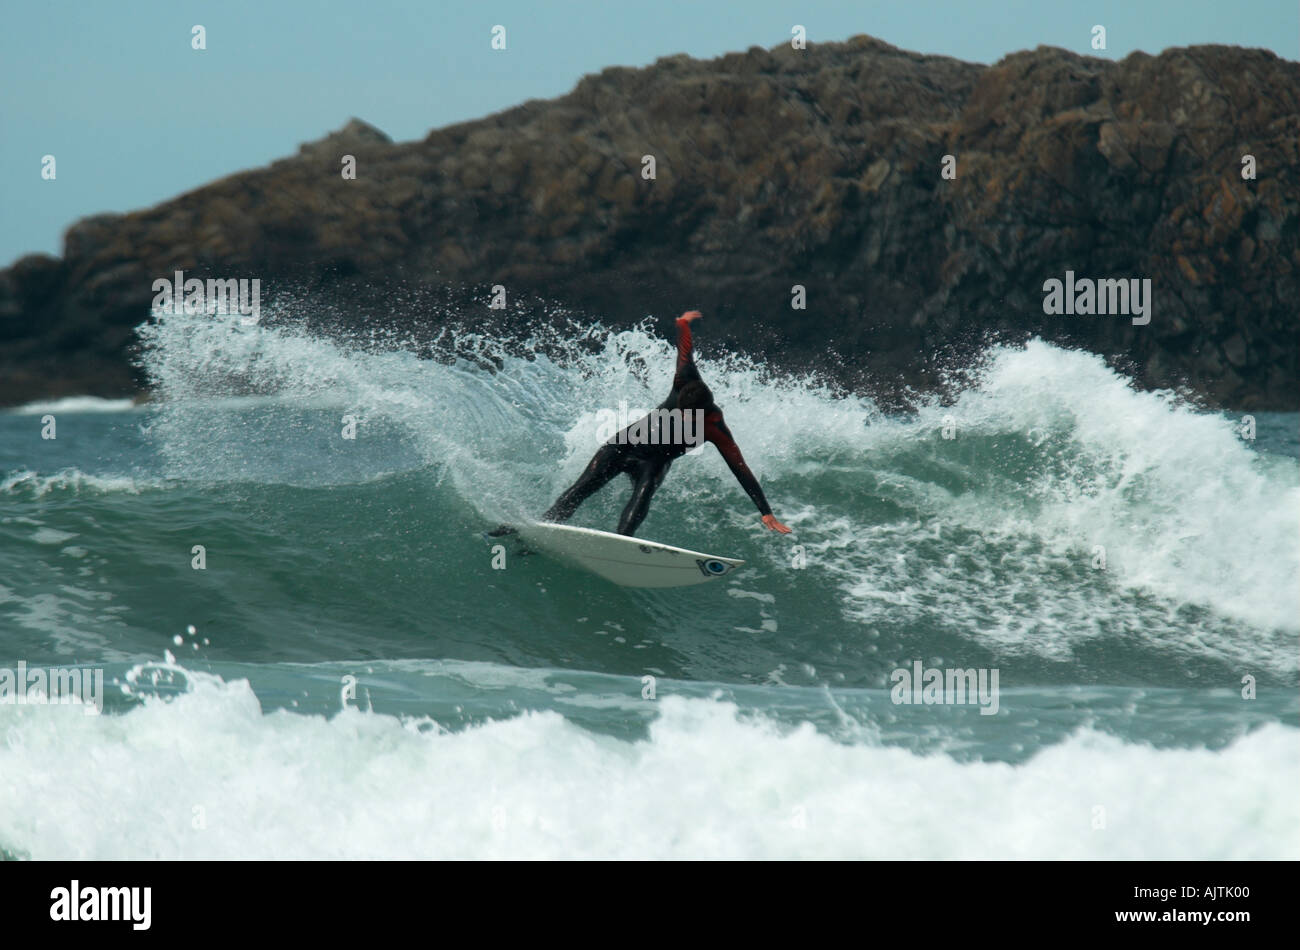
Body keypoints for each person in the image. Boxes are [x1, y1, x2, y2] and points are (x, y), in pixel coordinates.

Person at [541, 311, 791, 537]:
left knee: (643, 497)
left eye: (690, 417)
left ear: (704, 413)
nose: (683, 418)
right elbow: (685, 350)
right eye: (682, 411)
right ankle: (542, 529)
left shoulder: (715, 427)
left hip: (654, 462)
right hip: (624, 445)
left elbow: (740, 468)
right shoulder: (683, 377)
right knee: (580, 490)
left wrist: (765, 511)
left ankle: (621, 543)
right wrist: (683, 323)